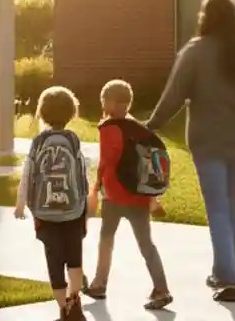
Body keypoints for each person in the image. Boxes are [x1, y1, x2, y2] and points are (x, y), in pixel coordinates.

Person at [146, 0, 235, 304]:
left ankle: (228, 277)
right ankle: (234, 270)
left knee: (218, 207)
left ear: (206, 17)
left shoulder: (195, 52)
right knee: (232, 205)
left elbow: (174, 95)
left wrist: (151, 125)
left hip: (207, 140)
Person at [86, 80, 172, 310]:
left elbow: (107, 162)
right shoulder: (140, 129)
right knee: (146, 245)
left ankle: (99, 284)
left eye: (104, 100)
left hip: (114, 195)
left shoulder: (108, 128)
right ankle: (162, 288)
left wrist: (95, 187)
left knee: (106, 239)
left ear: (111, 103)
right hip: (140, 197)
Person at [15, 86, 91, 321]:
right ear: (71, 113)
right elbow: (82, 172)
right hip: (73, 211)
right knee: (75, 258)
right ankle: (75, 300)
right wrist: (84, 201)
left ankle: (63, 309)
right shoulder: (72, 139)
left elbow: (27, 173)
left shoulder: (38, 142)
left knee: (54, 261)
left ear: (42, 113)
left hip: (45, 213)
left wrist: (20, 204)